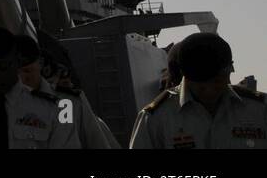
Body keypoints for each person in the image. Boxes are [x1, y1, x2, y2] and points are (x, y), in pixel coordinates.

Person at [130, 31, 266, 149]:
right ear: (185, 77)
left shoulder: (260, 110)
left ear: (229, 72)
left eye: (216, 82)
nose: (209, 91)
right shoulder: (155, 119)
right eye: (201, 85)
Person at [14, 34, 118, 149]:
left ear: (40, 65)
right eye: (16, 73)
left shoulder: (69, 103)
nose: (22, 79)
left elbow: (98, 143)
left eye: (27, 71)